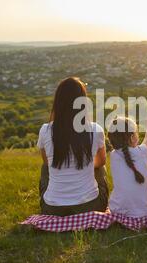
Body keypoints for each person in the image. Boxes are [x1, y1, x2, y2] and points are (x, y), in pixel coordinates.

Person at [37, 77, 108, 216]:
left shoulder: (45, 130)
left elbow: (47, 162)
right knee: (100, 168)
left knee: (45, 168)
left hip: (52, 209)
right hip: (90, 206)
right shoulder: (95, 130)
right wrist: (82, 164)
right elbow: (101, 161)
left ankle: (56, 198)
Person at [107, 116, 147, 217]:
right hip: (146, 210)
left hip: (118, 210)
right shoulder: (141, 151)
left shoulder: (113, 155)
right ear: (132, 137)